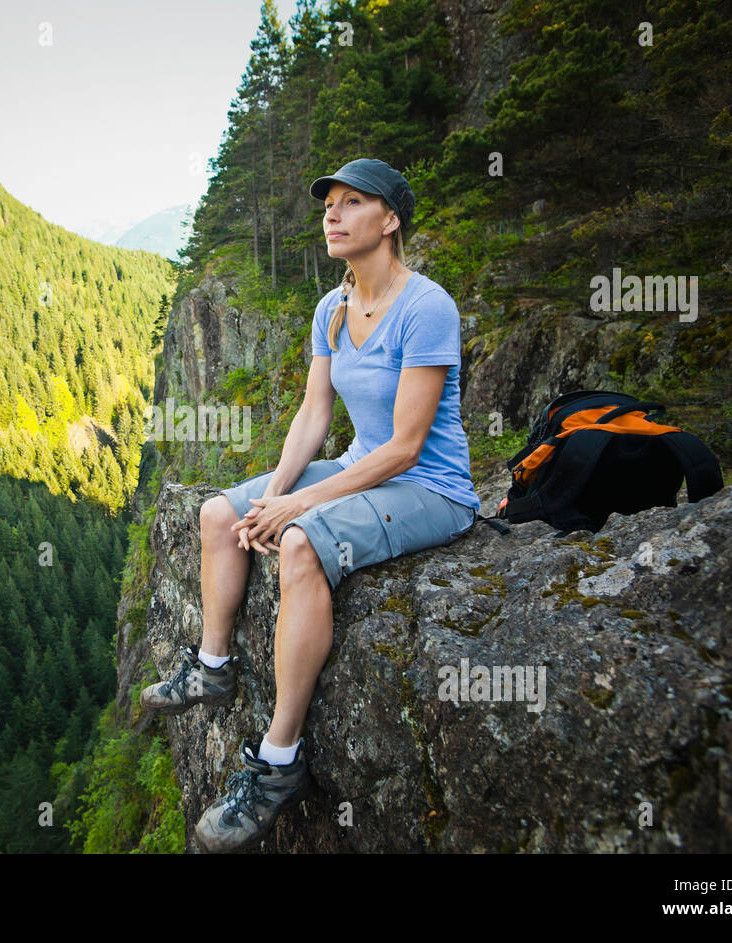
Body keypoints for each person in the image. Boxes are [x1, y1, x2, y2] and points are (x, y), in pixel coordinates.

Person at [141, 158, 481, 853]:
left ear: (390, 220)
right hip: (362, 467)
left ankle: (278, 761)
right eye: (329, 203)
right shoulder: (332, 308)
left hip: (429, 490)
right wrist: (270, 495)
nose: (332, 213)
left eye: (353, 202)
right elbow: (312, 416)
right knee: (218, 516)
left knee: (298, 544)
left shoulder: (427, 307)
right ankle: (212, 665)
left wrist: (297, 507)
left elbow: (406, 448)